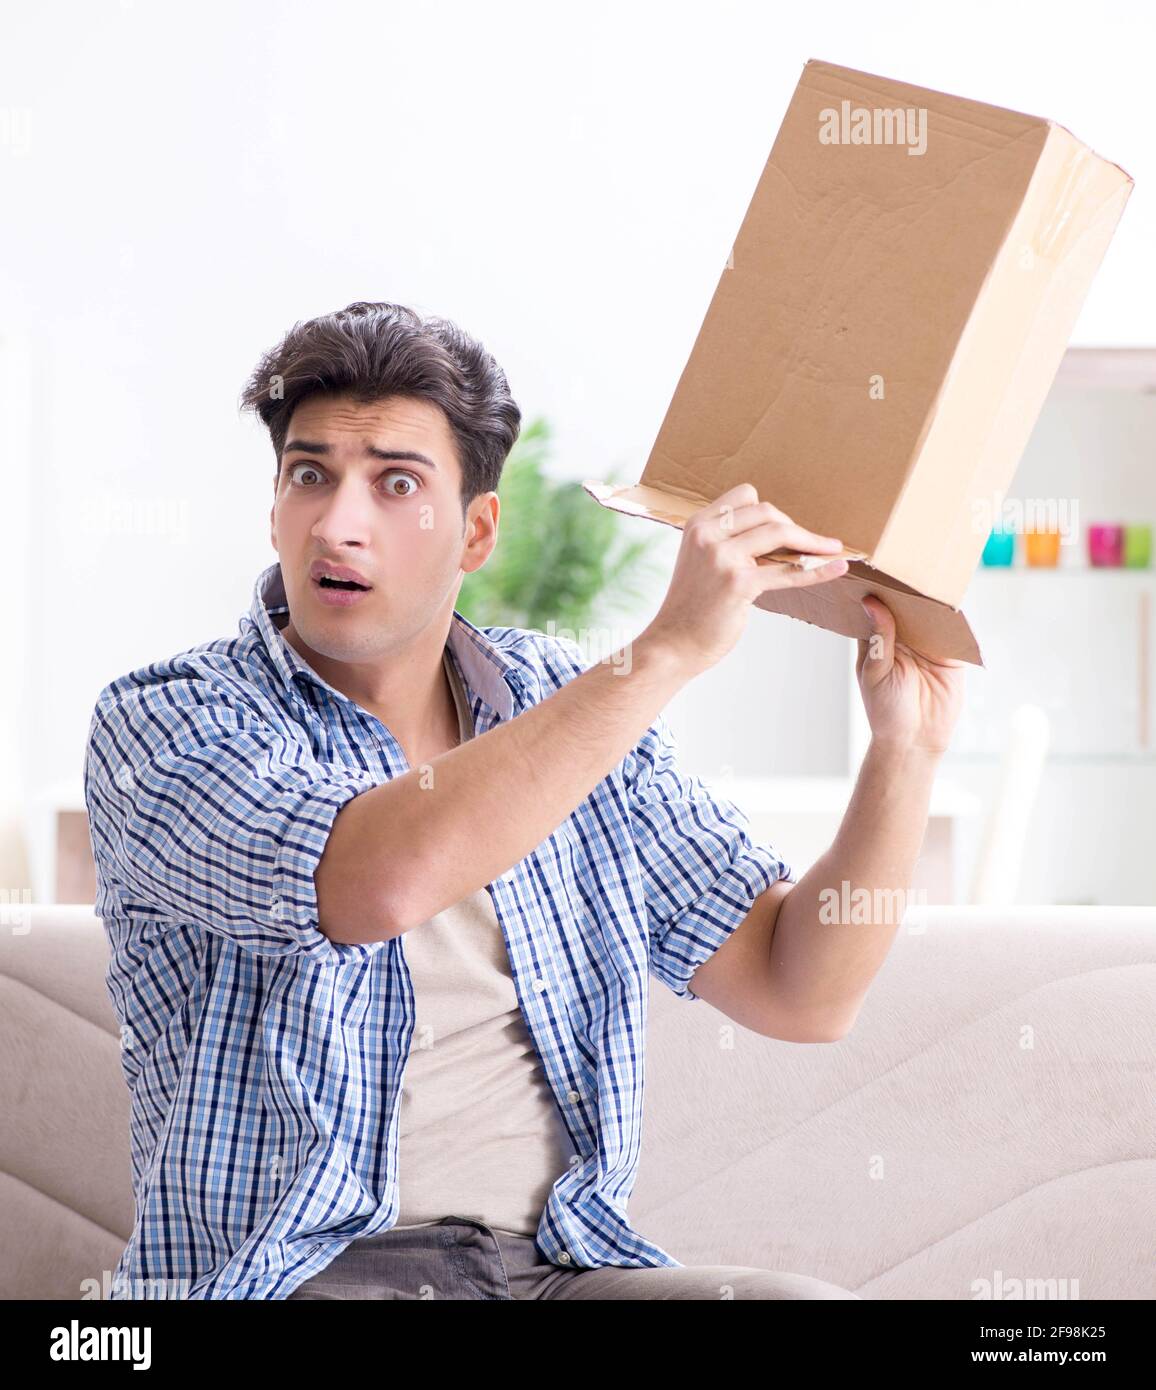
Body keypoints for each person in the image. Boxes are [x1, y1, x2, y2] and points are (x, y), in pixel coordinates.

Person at [84, 301, 964, 1300]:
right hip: (293, 1281)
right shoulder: (167, 721)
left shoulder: (561, 701)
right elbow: (373, 879)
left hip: (554, 1274)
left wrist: (905, 746)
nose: (339, 522)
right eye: (309, 474)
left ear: (477, 531)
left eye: (396, 484)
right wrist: (664, 649)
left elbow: (798, 988)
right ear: (276, 508)